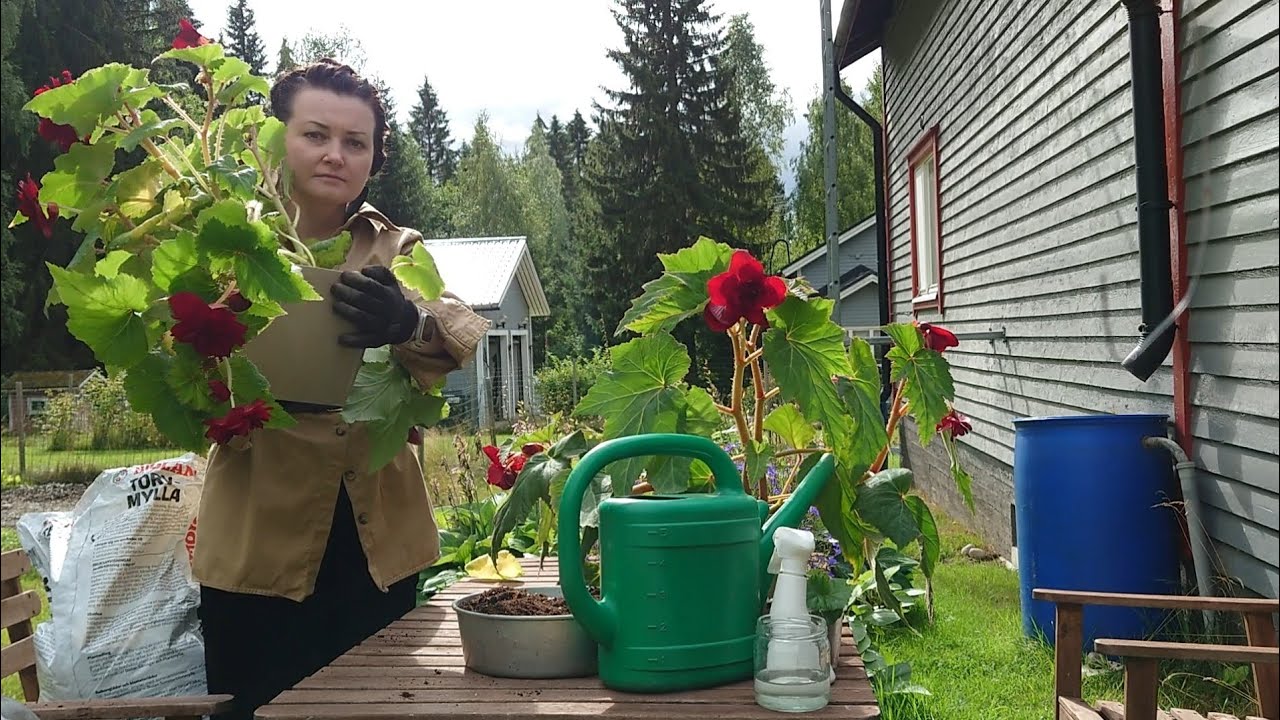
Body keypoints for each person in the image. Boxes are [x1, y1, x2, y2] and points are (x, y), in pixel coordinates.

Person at [192, 58, 490, 720]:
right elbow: (176, 366)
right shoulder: (222, 235)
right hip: (255, 534)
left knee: (373, 704)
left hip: (372, 537)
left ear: (374, 158)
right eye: (315, 134)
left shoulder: (391, 247)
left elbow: (458, 329)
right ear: (273, 140)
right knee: (256, 704)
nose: (335, 154)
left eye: (356, 142)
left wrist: (408, 321)